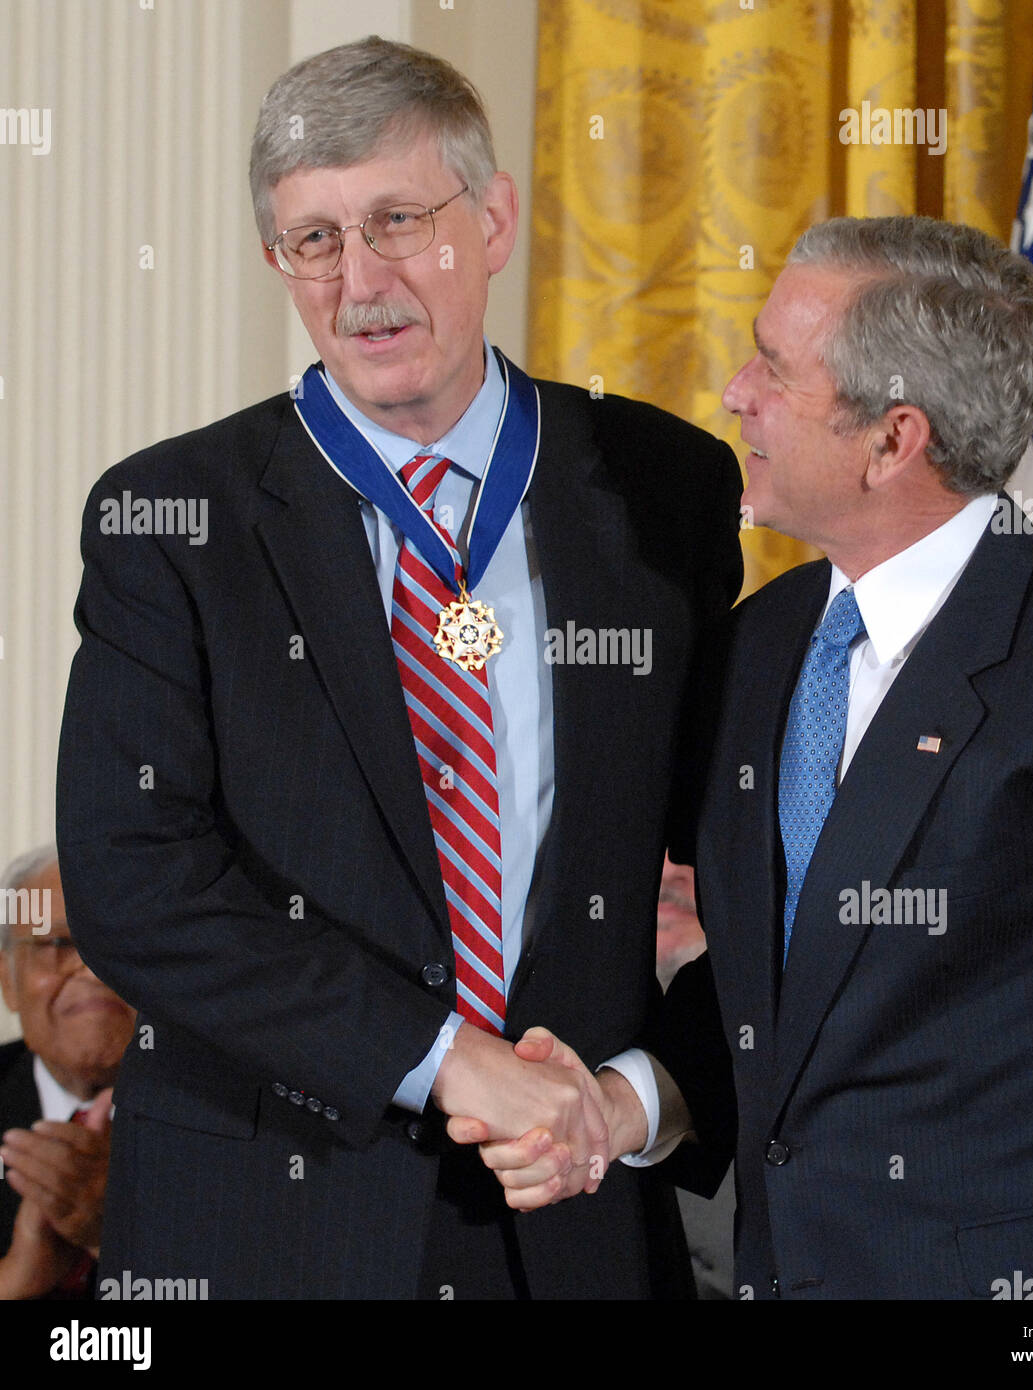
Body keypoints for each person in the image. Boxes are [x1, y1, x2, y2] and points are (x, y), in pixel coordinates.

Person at [55, 37, 741, 1299]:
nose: (356, 279)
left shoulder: (664, 488)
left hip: (571, 1209)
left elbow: (757, 863)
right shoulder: (171, 516)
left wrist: (637, 1095)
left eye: (395, 220)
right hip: (265, 1220)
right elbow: (134, 879)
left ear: (491, 220)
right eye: (311, 240)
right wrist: (439, 1055)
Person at [478, 216, 1033, 1300]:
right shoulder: (750, 648)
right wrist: (623, 1102)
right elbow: (789, 995)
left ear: (891, 438)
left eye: (773, 366)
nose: (732, 392)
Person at [0, 847, 134, 1299]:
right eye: (59, 944)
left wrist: (113, 1234)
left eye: (117, 943)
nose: (92, 969)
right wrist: (14, 1280)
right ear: (7, 981)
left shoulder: (250, 1116)